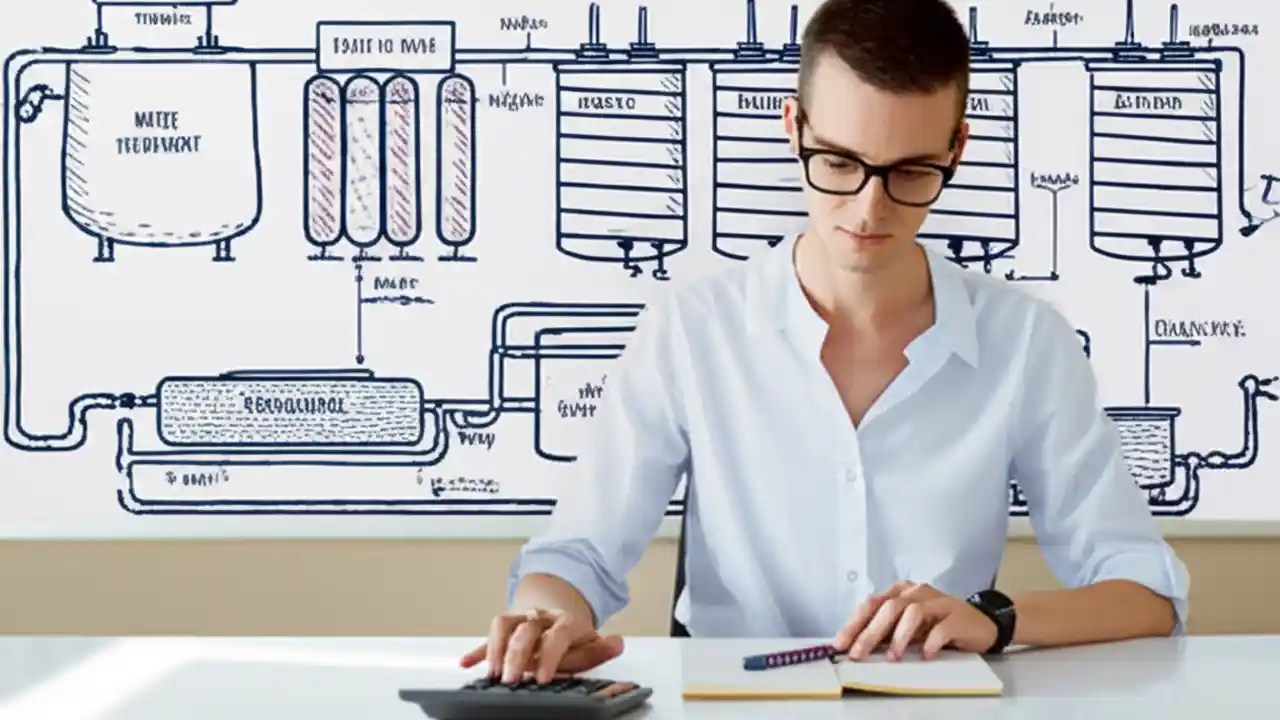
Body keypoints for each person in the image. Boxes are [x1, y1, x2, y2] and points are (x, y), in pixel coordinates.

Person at [461, 0, 1190, 685]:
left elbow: (1147, 594)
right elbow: (579, 553)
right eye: (838, 163)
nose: (869, 209)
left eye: (910, 172)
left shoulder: (1026, 340)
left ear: (957, 148)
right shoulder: (692, 330)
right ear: (794, 128)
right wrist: (548, 618)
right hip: (738, 705)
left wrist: (992, 620)